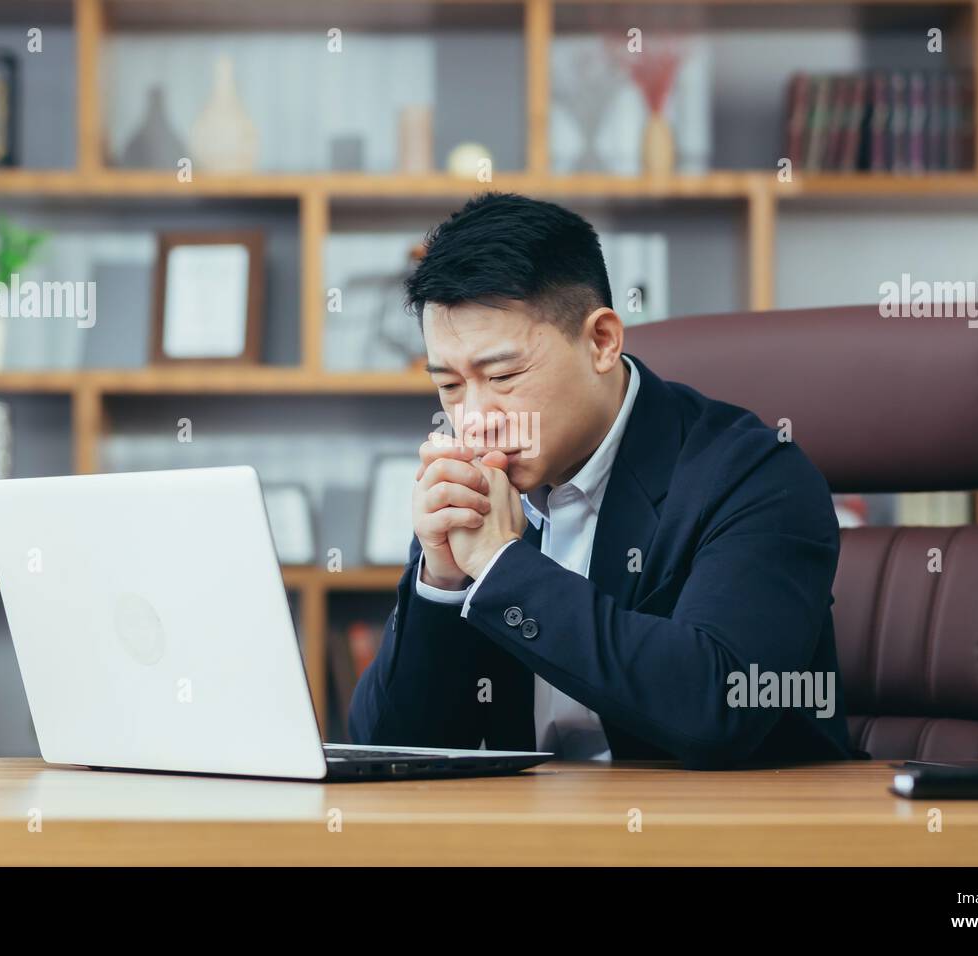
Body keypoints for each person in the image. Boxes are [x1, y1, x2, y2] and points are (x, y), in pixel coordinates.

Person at [349, 192, 853, 768]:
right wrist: (441, 584)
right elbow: (384, 750)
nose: (475, 420)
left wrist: (500, 568)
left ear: (602, 342)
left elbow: (718, 706)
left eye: (504, 374)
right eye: (451, 386)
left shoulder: (756, 475)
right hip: (533, 838)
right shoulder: (475, 486)